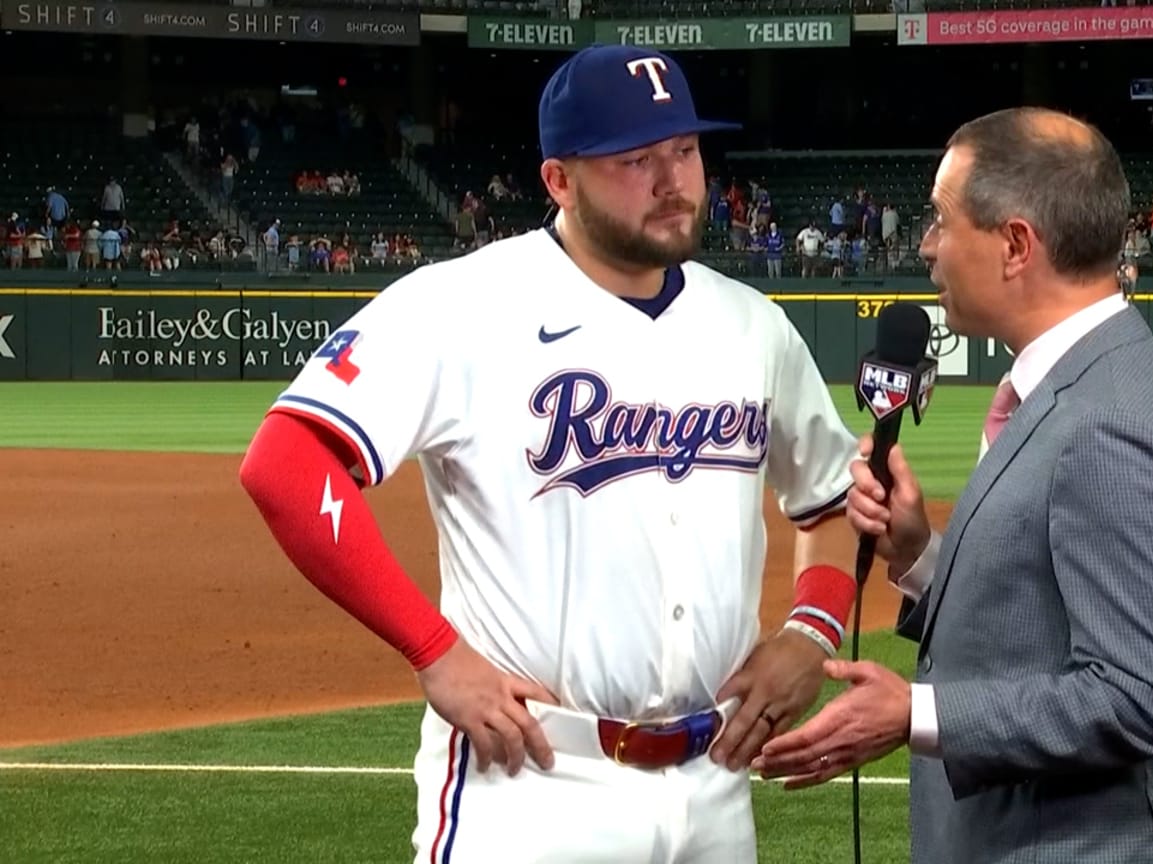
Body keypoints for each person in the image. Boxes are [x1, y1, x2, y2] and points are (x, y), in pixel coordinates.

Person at [238, 44, 862, 863]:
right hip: (530, 782)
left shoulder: (753, 325)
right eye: (635, 159)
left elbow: (834, 499)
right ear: (558, 181)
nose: (673, 179)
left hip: (714, 786)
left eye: (684, 149)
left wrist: (812, 633)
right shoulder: (459, 304)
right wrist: (434, 650)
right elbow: (286, 464)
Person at [754, 107, 1153, 863]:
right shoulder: (1071, 384)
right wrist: (918, 556)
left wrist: (916, 713)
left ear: (1014, 245)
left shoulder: (1112, 418)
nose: (928, 246)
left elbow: (1142, 698)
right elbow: (1030, 618)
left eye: (941, 221)